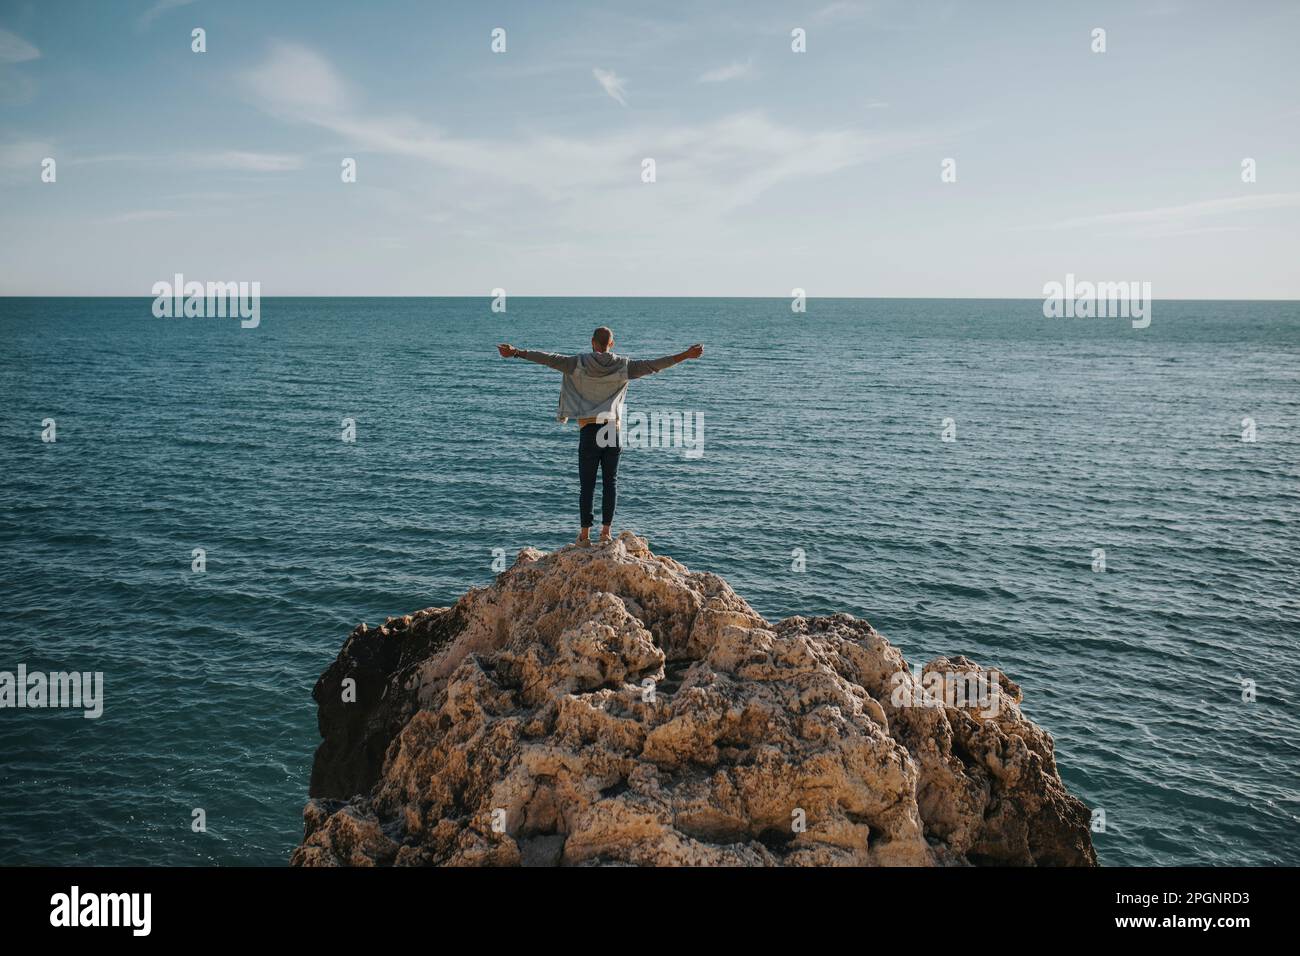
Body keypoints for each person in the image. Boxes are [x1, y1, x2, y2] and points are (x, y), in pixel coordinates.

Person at [497, 327, 703, 544]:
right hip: (612, 430)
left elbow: (547, 359)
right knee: (610, 482)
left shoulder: (577, 363)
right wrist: (686, 355)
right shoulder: (624, 366)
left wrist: (516, 352)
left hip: (589, 429)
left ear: (592, 342)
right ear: (611, 344)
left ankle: (584, 536)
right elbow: (655, 365)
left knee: (587, 485)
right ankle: (606, 533)